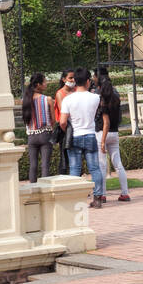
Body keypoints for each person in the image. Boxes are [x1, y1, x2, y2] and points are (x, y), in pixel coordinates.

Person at [60, 66, 106, 209]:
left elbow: (62, 121)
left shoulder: (68, 99)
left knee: (75, 168)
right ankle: (98, 198)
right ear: (87, 82)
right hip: (90, 135)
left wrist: (67, 128)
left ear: (75, 81)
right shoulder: (95, 98)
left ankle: (75, 199)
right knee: (94, 168)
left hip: (75, 136)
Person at [94, 68, 129, 202]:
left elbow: (105, 122)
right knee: (118, 164)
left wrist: (102, 141)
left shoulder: (102, 100)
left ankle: (102, 194)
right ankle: (125, 193)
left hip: (103, 133)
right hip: (114, 133)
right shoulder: (116, 97)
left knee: (102, 165)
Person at [21, 73, 55, 184]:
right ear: (38, 85)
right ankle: (45, 190)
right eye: (44, 82)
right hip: (45, 134)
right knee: (45, 165)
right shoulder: (48, 99)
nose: (46, 84)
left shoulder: (25, 100)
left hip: (31, 135)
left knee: (33, 165)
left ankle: (32, 189)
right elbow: (53, 120)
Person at [53, 68, 75, 176]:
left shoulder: (76, 91)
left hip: (76, 127)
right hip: (65, 128)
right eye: (70, 78)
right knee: (64, 157)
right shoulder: (60, 93)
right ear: (63, 79)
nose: (72, 80)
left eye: (73, 77)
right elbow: (63, 111)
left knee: (75, 158)